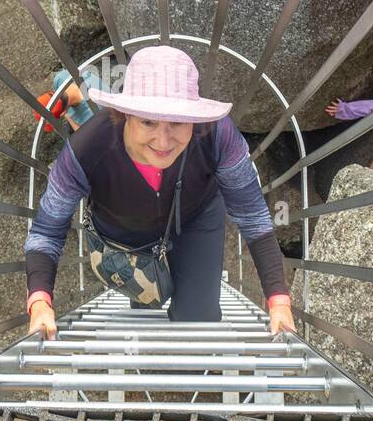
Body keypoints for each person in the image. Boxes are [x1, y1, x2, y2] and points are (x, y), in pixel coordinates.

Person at [23, 46, 296, 338]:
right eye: (148, 121)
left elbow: (252, 215)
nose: (163, 141)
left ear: (195, 118)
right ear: (125, 114)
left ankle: (186, 374)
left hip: (196, 215)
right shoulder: (87, 150)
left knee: (199, 324)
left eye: (178, 121)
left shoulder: (215, 134)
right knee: (144, 307)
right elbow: (47, 231)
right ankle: (76, 92)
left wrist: (278, 299)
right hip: (123, 232)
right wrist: (39, 301)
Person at [35, 66, 103, 133]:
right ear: (50, 92)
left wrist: (67, 116)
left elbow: (82, 135)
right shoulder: (59, 79)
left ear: (63, 113)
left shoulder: (91, 113)